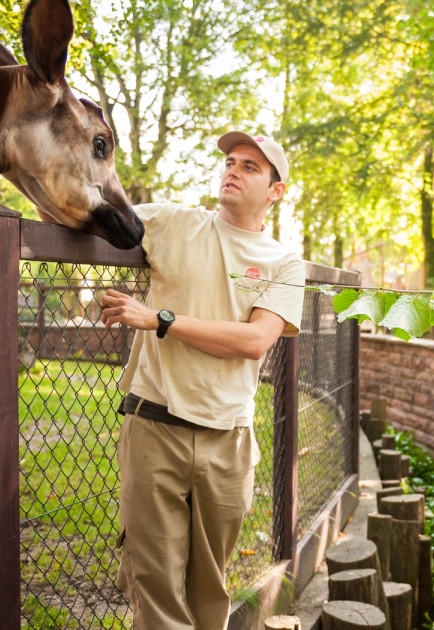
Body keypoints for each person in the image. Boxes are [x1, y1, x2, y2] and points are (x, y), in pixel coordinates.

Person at [100, 131, 305, 629]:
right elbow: (92, 213)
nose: (232, 170)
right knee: (155, 583)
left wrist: (161, 320)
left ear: (275, 192)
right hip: (154, 426)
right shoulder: (172, 222)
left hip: (228, 439)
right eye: (230, 162)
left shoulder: (284, 262)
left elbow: (255, 341)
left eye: (250, 167)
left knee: (210, 584)